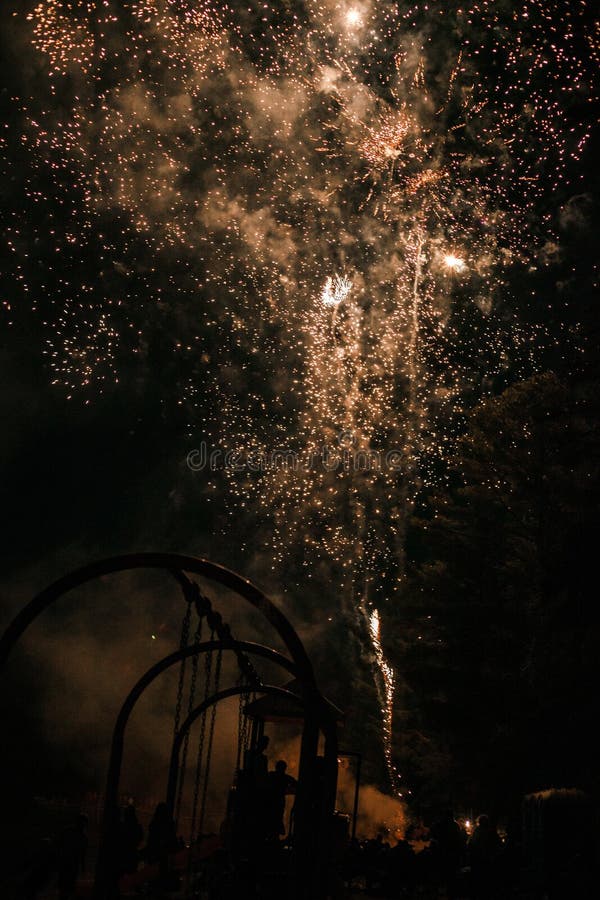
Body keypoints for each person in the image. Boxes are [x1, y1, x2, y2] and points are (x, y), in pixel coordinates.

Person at [429, 808, 466, 900]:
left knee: (441, 876)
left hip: (441, 854)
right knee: (451, 877)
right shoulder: (455, 826)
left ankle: (440, 893)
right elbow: (459, 840)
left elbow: (433, 837)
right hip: (451, 854)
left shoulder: (438, 825)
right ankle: (450, 894)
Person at [469, 814, 502, 898]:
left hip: (478, 860)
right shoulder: (491, 832)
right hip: (487, 861)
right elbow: (499, 844)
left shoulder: (476, 832)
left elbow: (470, 845)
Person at [56, 814, 87, 900]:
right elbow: (82, 853)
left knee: (64, 886)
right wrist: (83, 866)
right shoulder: (82, 836)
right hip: (71, 863)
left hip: (66, 861)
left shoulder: (68, 831)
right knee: (68, 886)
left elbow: (59, 844)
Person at [265, 760, 297, 840]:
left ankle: (271, 836)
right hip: (278, 802)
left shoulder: (271, 775)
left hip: (271, 802)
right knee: (277, 818)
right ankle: (274, 837)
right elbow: (296, 784)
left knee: (272, 819)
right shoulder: (285, 778)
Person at [119, 804, 144, 876]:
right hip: (132, 854)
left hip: (123, 853)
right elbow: (140, 838)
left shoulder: (122, 826)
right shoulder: (137, 826)